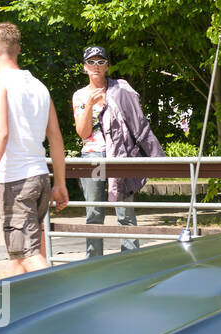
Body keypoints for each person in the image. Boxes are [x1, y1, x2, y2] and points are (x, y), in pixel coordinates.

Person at [0, 22, 69, 274]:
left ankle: (59, 302)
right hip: (40, 178)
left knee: (28, 255)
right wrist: (60, 183)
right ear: (17, 49)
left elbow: (0, 133)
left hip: (16, 180)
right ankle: (23, 308)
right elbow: (56, 139)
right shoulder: (39, 86)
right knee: (19, 254)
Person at [72, 45, 162, 257]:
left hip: (121, 155)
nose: (96, 66)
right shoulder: (80, 95)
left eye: (100, 61)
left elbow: (137, 119)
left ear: (107, 66)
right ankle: (94, 263)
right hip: (94, 157)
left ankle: (130, 260)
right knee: (94, 212)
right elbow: (83, 133)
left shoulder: (121, 88)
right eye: (91, 62)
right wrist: (90, 105)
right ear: (84, 67)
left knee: (125, 211)